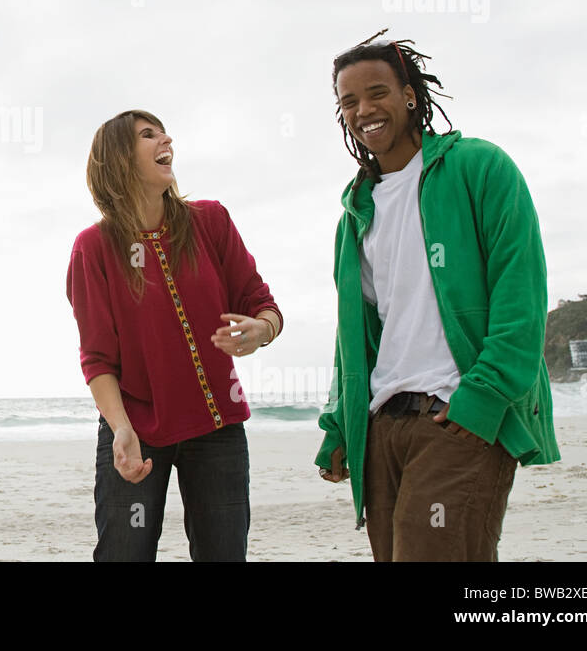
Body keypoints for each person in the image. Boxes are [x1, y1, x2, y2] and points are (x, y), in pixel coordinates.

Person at [315, 33, 560, 561]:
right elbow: (354, 339)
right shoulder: (356, 213)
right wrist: (340, 424)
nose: (364, 111)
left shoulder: (480, 168)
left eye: (376, 93)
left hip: (456, 411)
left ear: (409, 95)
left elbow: (521, 293)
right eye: (348, 102)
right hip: (382, 425)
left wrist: (483, 398)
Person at [66, 110, 283, 561]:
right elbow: (98, 359)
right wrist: (121, 428)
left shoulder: (211, 221)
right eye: (148, 135)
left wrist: (260, 330)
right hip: (135, 430)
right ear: (119, 160)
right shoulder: (94, 247)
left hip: (217, 427)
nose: (166, 138)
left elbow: (262, 303)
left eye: (162, 131)